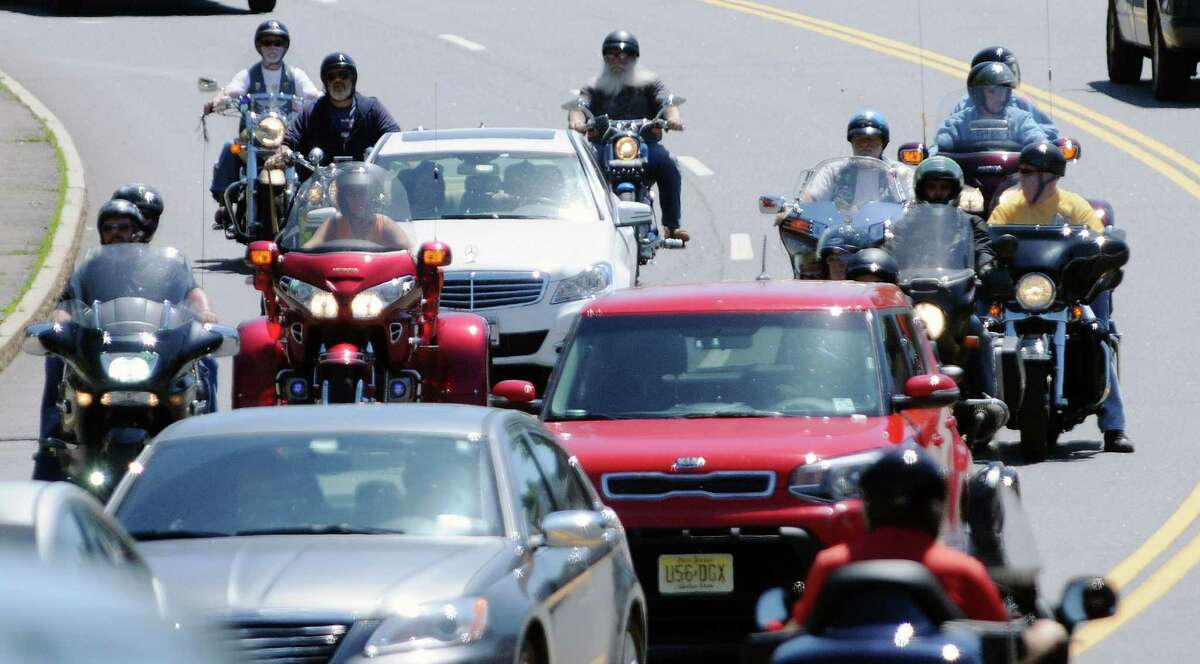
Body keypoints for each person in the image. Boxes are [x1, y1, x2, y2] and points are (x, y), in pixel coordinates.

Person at [790, 444, 1068, 664]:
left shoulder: (831, 563)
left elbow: (797, 628)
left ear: (869, 504)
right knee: (1051, 632)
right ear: (935, 507)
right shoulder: (960, 568)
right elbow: (997, 635)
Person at [33, 201, 221, 480]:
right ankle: (51, 450)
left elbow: (192, 291)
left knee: (204, 361)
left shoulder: (159, 265)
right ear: (101, 234)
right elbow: (67, 301)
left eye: (123, 227)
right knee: (57, 362)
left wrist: (204, 311)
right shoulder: (90, 269)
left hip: (151, 347)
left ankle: (208, 441)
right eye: (108, 228)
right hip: (103, 349)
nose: (115, 233)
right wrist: (60, 321)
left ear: (136, 232)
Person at [989, 142, 1133, 453]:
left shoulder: (1074, 207)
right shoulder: (1008, 206)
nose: (1021, 179)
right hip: (1022, 292)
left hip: (1069, 291)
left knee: (1099, 335)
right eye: (1022, 172)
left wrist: (1102, 259)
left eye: (1027, 173)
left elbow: (1100, 243)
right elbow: (988, 242)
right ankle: (977, 416)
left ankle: (1114, 426)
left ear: (1048, 177)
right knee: (981, 331)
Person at [567, 30, 689, 242]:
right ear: (604, 57)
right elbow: (579, 105)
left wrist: (673, 118)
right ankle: (579, 224)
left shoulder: (650, 83)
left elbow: (667, 103)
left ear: (635, 58)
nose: (619, 59)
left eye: (626, 54)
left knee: (669, 164)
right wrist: (576, 121)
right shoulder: (595, 86)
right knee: (578, 171)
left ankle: (672, 225)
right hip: (603, 146)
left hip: (645, 146)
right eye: (613, 54)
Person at [205, 20, 320, 221]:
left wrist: (321, 98)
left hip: (286, 138)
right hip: (254, 136)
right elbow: (233, 89)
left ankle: (313, 203)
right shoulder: (248, 75)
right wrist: (218, 100)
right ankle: (226, 203)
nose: (272, 48)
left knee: (311, 156)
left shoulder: (295, 76)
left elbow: (310, 92)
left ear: (285, 46)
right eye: (267, 42)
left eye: (278, 43)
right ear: (259, 46)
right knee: (231, 148)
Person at [269, 52, 401, 170]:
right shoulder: (311, 112)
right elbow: (288, 141)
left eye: (344, 75)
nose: (338, 81)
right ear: (325, 82)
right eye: (332, 76)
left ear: (353, 79)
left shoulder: (371, 109)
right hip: (320, 188)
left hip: (366, 186)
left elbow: (393, 136)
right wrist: (281, 153)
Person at [798, 110, 911, 204]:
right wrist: (794, 210)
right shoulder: (834, 171)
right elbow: (812, 198)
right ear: (852, 142)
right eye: (860, 139)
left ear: (883, 143)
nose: (866, 145)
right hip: (840, 229)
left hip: (888, 230)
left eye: (872, 139)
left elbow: (915, 207)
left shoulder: (899, 173)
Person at [935, 62, 1048, 153]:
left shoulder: (1021, 119)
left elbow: (1039, 141)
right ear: (978, 94)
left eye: (1004, 91)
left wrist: (1043, 149)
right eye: (992, 91)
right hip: (969, 180)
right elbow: (938, 147)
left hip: (1012, 179)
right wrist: (935, 155)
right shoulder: (959, 122)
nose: (1001, 97)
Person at [952, 46, 1059, 141]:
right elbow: (951, 131)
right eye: (992, 90)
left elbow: (1049, 132)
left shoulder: (1020, 108)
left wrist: (1033, 138)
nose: (1001, 97)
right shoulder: (963, 107)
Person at [303, 165, 412, 249]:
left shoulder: (383, 223)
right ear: (343, 198)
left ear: (371, 195)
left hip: (379, 277)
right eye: (351, 194)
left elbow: (409, 251)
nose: (357, 198)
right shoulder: (334, 223)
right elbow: (308, 248)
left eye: (362, 193)